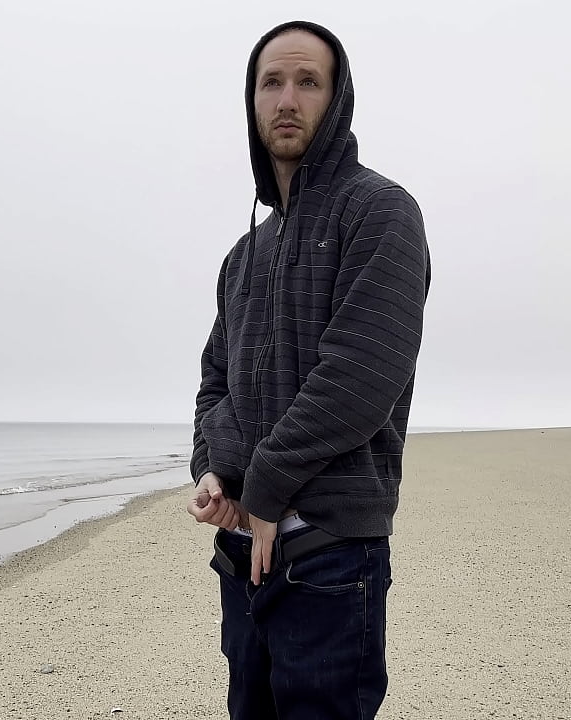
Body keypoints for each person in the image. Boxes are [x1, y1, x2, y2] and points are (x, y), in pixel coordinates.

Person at [186, 20, 431, 720]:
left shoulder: (380, 212)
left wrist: (263, 487)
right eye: (271, 82)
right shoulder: (245, 252)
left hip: (329, 554)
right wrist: (211, 470)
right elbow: (215, 383)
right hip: (240, 554)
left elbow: (361, 377)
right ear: (252, 100)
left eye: (307, 81)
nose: (287, 98)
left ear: (337, 97)